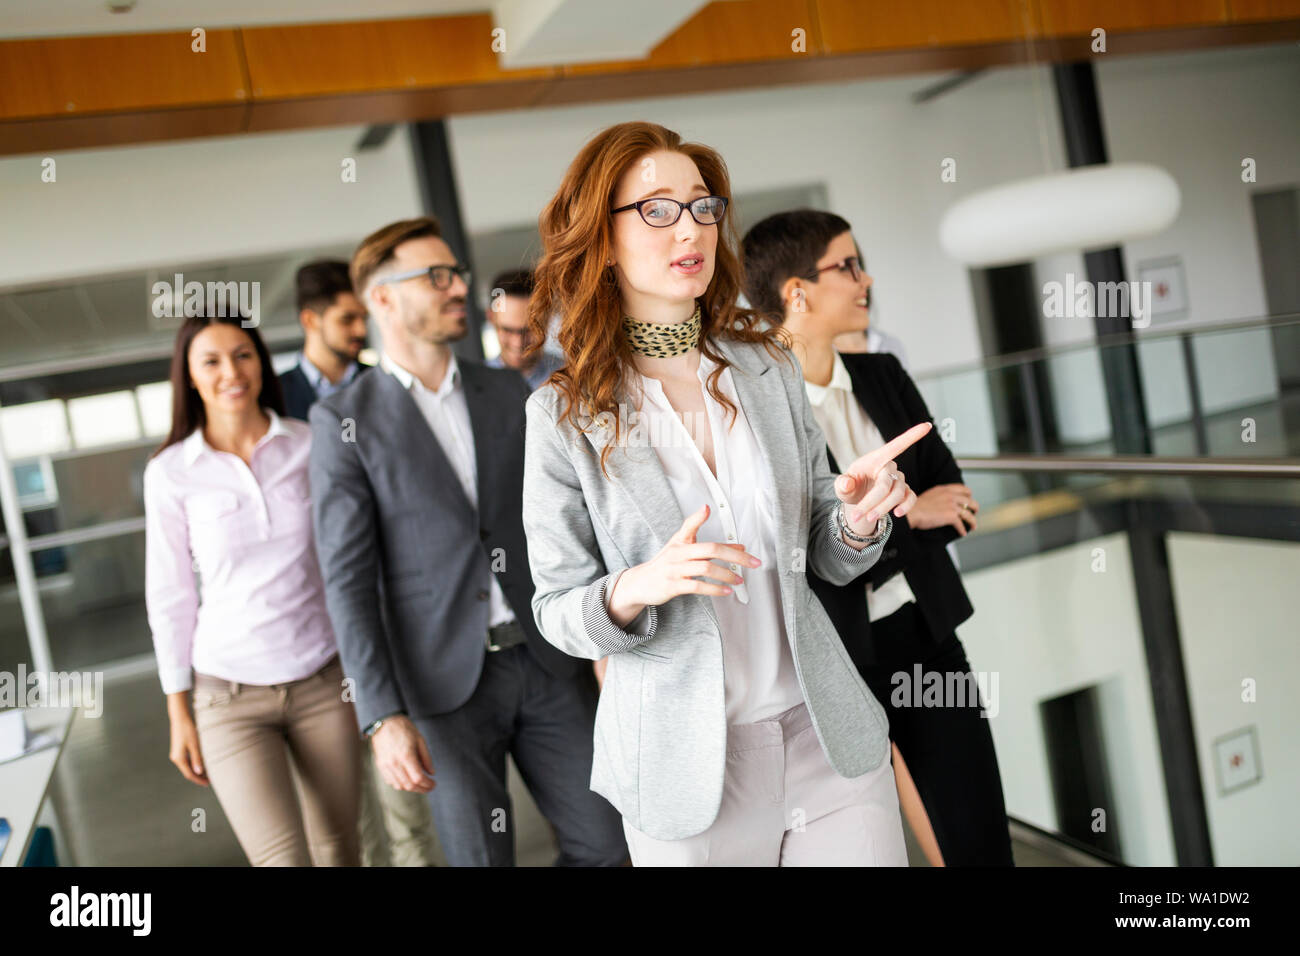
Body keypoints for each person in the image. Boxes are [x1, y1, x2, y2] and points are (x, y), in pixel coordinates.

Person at [521, 121, 931, 866]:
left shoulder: (764, 367)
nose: (692, 227)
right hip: (686, 766)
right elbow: (554, 610)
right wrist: (639, 587)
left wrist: (860, 519)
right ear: (603, 239)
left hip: (824, 736)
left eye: (703, 206)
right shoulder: (562, 413)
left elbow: (828, 556)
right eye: (658, 209)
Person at [309, 216, 628, 867]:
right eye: (437, 276)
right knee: (481, 858)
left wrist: (599, 636)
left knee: (609, 843)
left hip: (547, 662)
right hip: (439, 686)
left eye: (456, 273)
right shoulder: (344, 420)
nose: (459, 287)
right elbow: (346, 579)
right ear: (383, 298)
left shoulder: (505, 390)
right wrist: (382, 716)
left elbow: (566, 520)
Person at [741, 208, 1014, 866]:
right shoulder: (755, 409)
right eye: (848, 265)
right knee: (865, 843)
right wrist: (905, 515)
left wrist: (900, 521)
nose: (866, 280)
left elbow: (954, 501)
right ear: (796, 291)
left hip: (924, 630)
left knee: (976, 827)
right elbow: (794, 552)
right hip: (832, 657)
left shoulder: (884, 376)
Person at [143, 312, 361, 866]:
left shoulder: (311, 445)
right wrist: (178, 711)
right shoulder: (171, 471)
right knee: (281, 861)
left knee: (339, 851)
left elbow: (351, 561)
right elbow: (170, 596)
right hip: (228, 695)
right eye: (210, 361)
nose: (230, 372)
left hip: (323, 680)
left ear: (261, 363)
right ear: (189, 376)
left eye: (242, 355)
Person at [279, 260, 370, 421]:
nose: (361, 330)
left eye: (364, 318)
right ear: (310, 320)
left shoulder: (383, 383)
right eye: (347, 319)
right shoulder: (275, 394)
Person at [485, 268, 564, 390]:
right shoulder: (473, 385)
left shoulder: (572, 378)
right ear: (491, 318)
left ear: (548, 319)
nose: (518, 343)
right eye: (507, 330)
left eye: (529, 330)